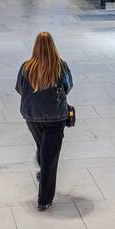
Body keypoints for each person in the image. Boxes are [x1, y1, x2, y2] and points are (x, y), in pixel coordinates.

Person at [16, 32, 73, 210]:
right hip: (56, 118)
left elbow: (20, 88)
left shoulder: (26, 67)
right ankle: (44, 199)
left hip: (32, 117)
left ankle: (43, 166)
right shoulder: (60, 67)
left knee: (43, 147)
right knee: (50, 157)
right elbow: (67, 86)